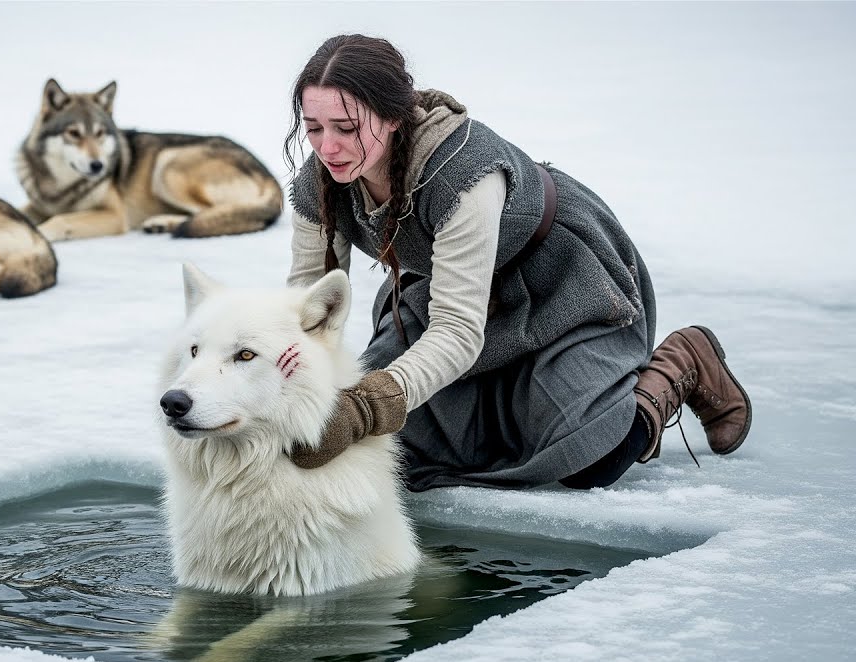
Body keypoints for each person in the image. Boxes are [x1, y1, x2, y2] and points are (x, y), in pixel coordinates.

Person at [283, 34, 752, 490]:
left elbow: (456, 332)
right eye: (314, 128)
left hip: (557, 281)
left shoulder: (463, 176)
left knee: (589, 456)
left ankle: (680, 363)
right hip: (453, 287)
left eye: (346, 128)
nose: (328, 148)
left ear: (392, 118)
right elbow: (307, 312)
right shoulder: (319, 183)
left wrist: (365, 407)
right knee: (395, 448)